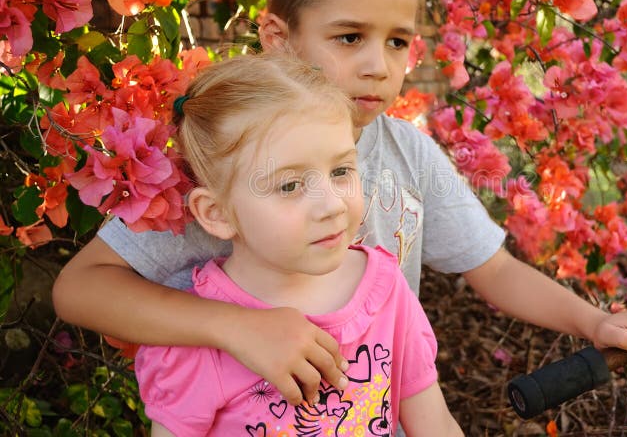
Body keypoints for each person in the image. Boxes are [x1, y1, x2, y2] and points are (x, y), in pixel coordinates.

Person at [53, 0, 627, 410]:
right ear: (279, 37)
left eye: (397, 42)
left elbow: (492, 269)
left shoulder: (407, 152)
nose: (377, 65)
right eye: (350, 36)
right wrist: (235, 328)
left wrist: (598, 322)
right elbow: (80, 289)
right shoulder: (233, 161)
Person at [134, 53, 462, 435]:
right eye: (289, 185)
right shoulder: (196, 340)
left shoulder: (386, 292)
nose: (331, 205)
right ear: (218, 213)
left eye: (341, 171)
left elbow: (434, 423)